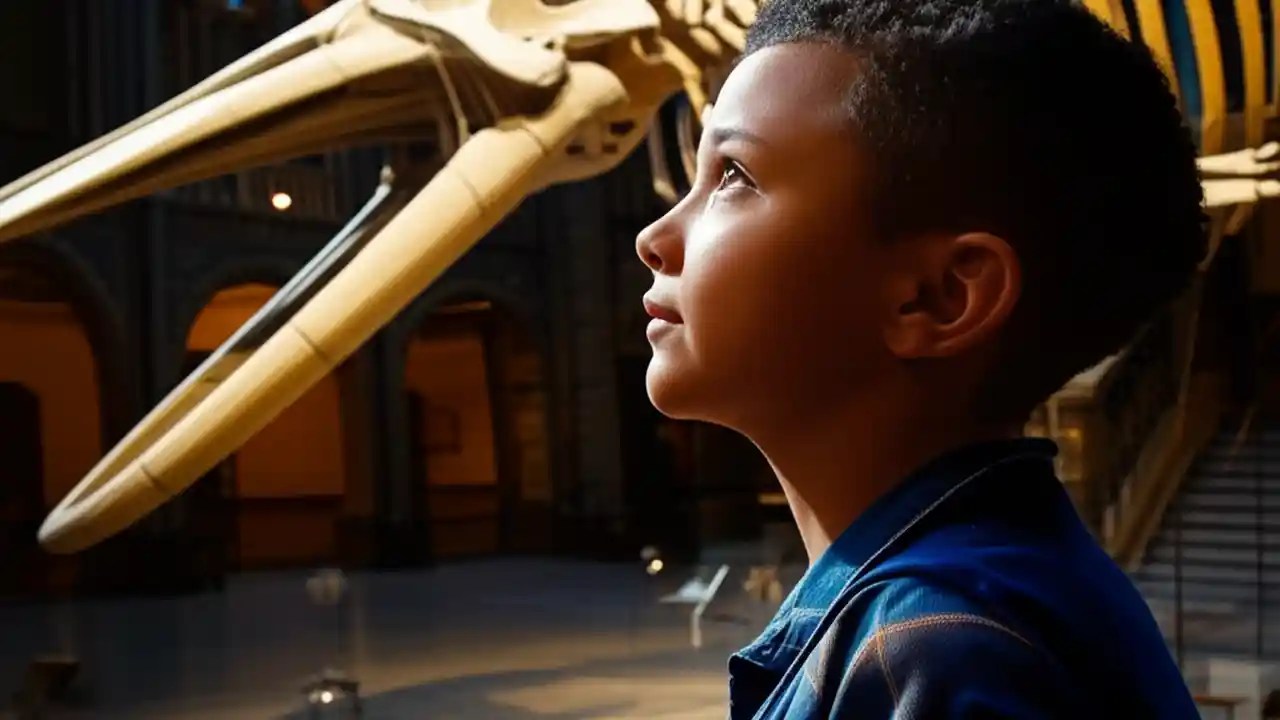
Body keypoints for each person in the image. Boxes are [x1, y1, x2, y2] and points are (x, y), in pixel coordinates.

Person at [634, 0, 1205, 717]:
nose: (653, 239)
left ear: (937, 298)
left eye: (733, 176)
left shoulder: (939, 653)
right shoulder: (984, 599)